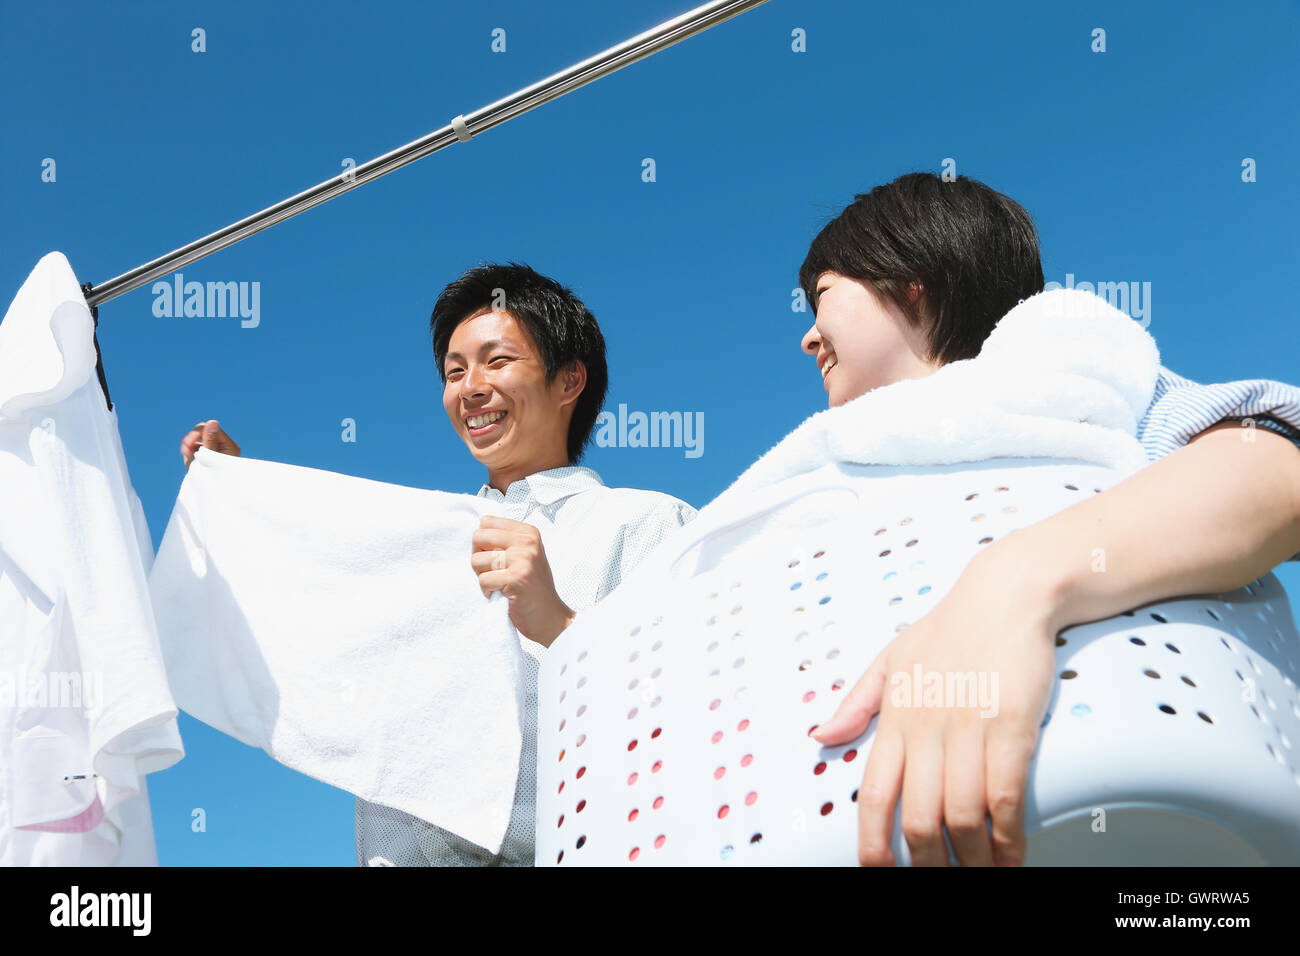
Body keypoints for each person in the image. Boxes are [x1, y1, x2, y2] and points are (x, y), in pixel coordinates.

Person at [793, 172, 1300, 865]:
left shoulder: (1082, 384)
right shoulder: (817, 478)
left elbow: (1280, 462)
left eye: (821, 297)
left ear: (908, 278)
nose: (807, 338)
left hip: (1141, 809)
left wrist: (1017, 579)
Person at [180, 262, 696, 865]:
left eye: (497, 361)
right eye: (454, 371)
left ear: (568, 380)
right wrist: (245, 497)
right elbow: (316, 615)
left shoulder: (647, 524)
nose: (470, 387)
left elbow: (694, 716)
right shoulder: (418, 552)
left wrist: (559, 623)